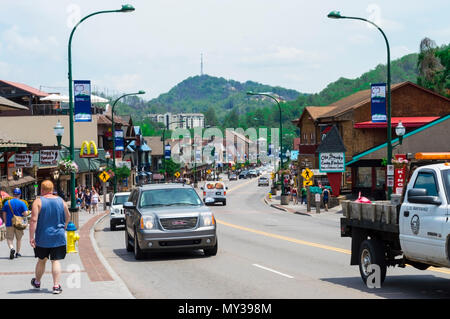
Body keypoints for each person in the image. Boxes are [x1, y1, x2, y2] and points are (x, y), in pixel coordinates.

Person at [29, 180, 70, 295]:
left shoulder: (38, 201)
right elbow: (68, 215)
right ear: (52, 190)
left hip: (43, 237)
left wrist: (31, 237)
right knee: (55, 260)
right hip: (58, 236)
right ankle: (56, 286)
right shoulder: (61, 201)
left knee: (42, 260)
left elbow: (33, 220)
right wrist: (64, 226)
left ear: (41, 189)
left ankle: (37, 282)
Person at [2, 188, 29, 259]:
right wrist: (23, 214)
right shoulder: (22, 203)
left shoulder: (7, 203)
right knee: (19, 239)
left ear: (13, 194)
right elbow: (26, 213)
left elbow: (4, 213)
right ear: (20, 194)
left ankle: (11, 248)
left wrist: (5, 221)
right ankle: (17, 253)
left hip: (9, 223)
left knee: (9, 238)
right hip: (19, 223)